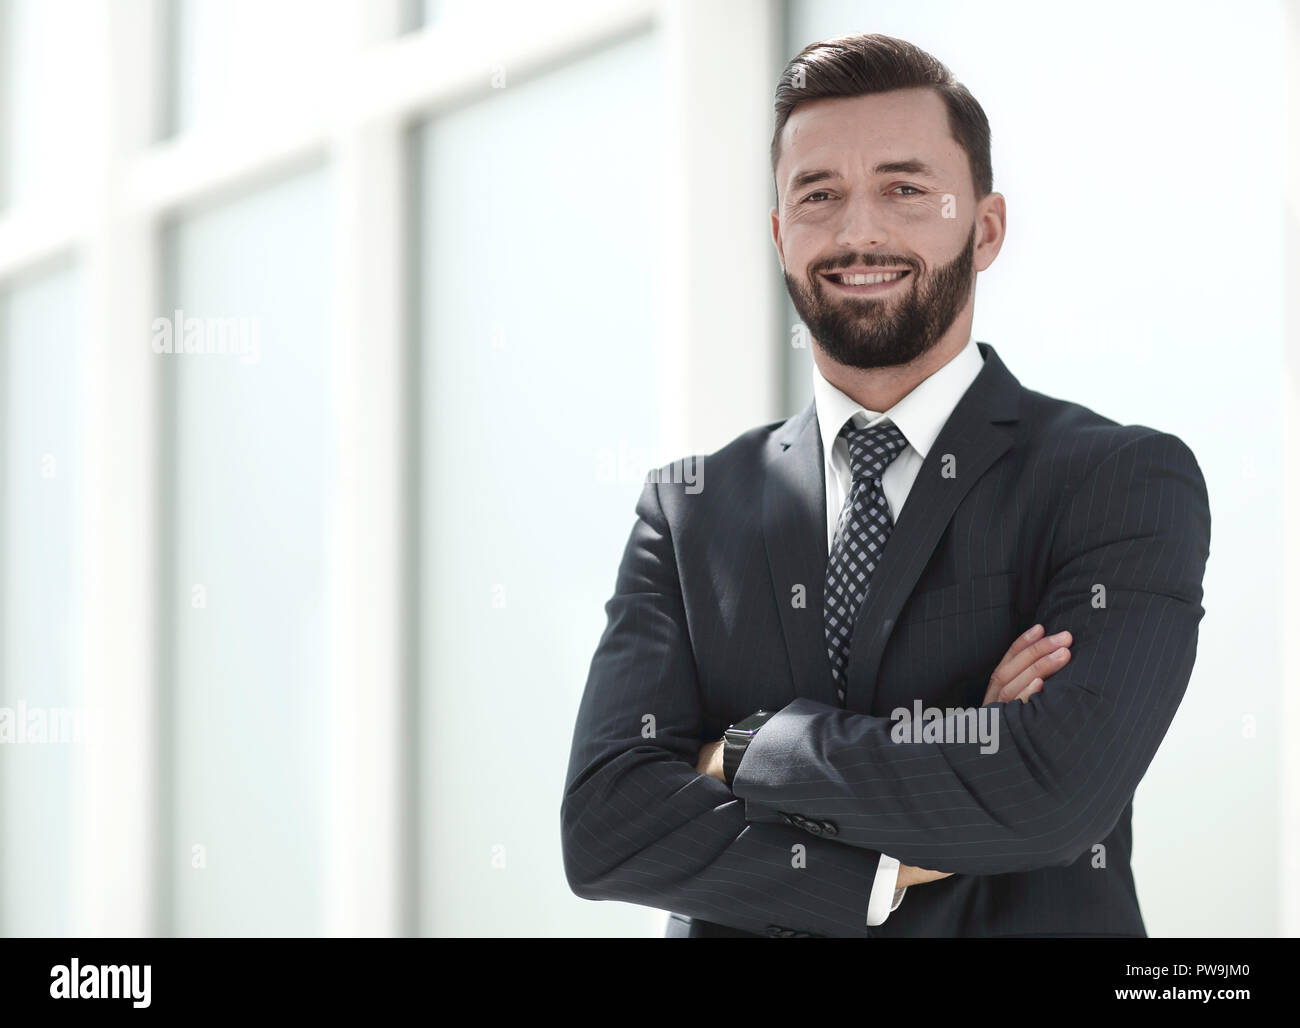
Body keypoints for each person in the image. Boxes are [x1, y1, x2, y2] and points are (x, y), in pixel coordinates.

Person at [560, 33, 1210, 938]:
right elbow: (605, 832)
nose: (859, 230)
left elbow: (1057, 798)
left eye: (905, 189)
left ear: (984, 228)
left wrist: (743, 751)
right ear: (782, 234)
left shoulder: (1115, 482)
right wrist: (928, 813)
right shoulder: (689, 509)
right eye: (818, 195)